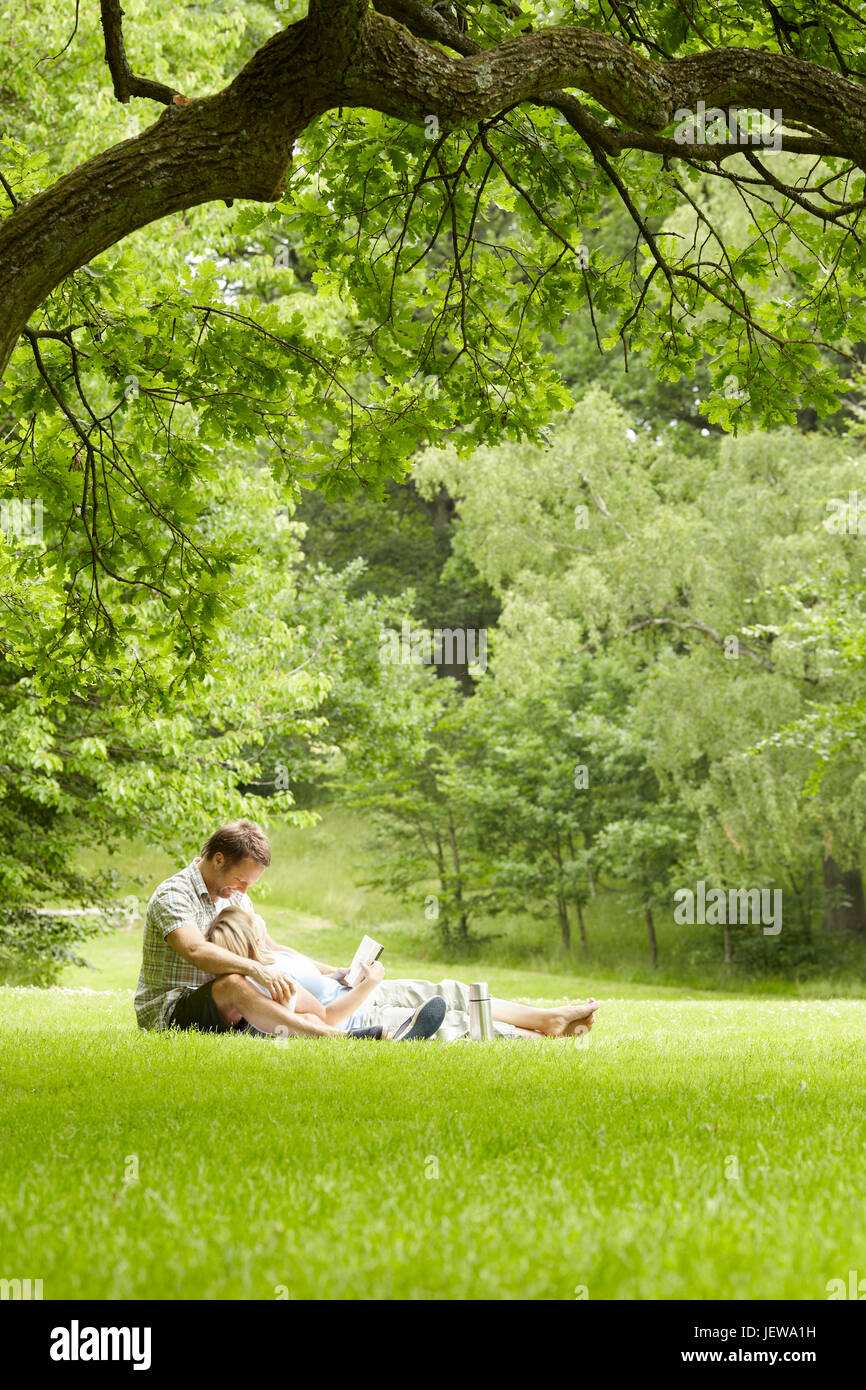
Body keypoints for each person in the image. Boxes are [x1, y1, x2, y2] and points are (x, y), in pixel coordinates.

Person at [134, 819, 443, 1040]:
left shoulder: (237, 898)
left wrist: (331, 971)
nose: (242, 890)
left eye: (249, 885)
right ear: (218, 859)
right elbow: (194, 950)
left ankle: (361, 1034)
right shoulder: (174, 894)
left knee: (297, 1009)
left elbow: (270, 947)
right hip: (173, 1009)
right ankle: (346, 1040)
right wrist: (256, 970)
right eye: (240, 880)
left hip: (229, 1009)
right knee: (233, 983)